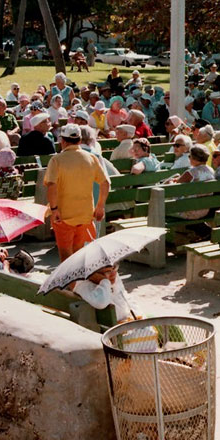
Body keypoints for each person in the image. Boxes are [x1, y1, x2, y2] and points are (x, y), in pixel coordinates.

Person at [44, 123, 110, 261]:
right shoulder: (91, 158)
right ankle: (78, 282)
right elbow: (105, 183)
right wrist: (100, 206)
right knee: (78, 253)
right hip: (85, 214)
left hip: (63, 215)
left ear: (62, 141)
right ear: (80, 140)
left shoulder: (56, 160)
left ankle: (71, 283)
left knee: (66, 256)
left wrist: (54, 209)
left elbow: (51, 186)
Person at [70, 265, 136, 325]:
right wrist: (104, 281)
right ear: (94, 273)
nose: (113, 273)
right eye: (108, 271)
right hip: (114, 331)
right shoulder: (83, 286)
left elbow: (124, 296)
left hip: (129, 322)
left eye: (115, 267)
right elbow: (101, 303)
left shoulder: (113, 277)